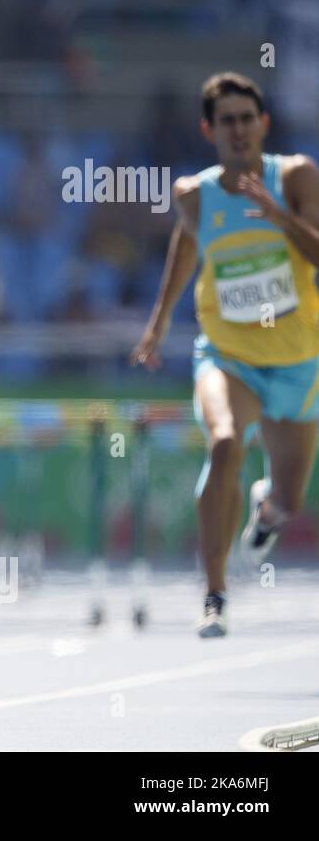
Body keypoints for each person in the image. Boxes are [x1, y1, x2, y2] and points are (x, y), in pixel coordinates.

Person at [132, 72, 319, 638]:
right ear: (209, 130)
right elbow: (186, 246)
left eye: (247, 119)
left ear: (263, 125)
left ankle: (267, 511)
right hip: (228, 353)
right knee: (224, 443)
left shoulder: (296, 176)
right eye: (227, 121)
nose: (238, 130)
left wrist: (278, 214)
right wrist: (159, 322)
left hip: (296, 361)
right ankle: (214, 594)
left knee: (290, 498)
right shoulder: (194, 194)